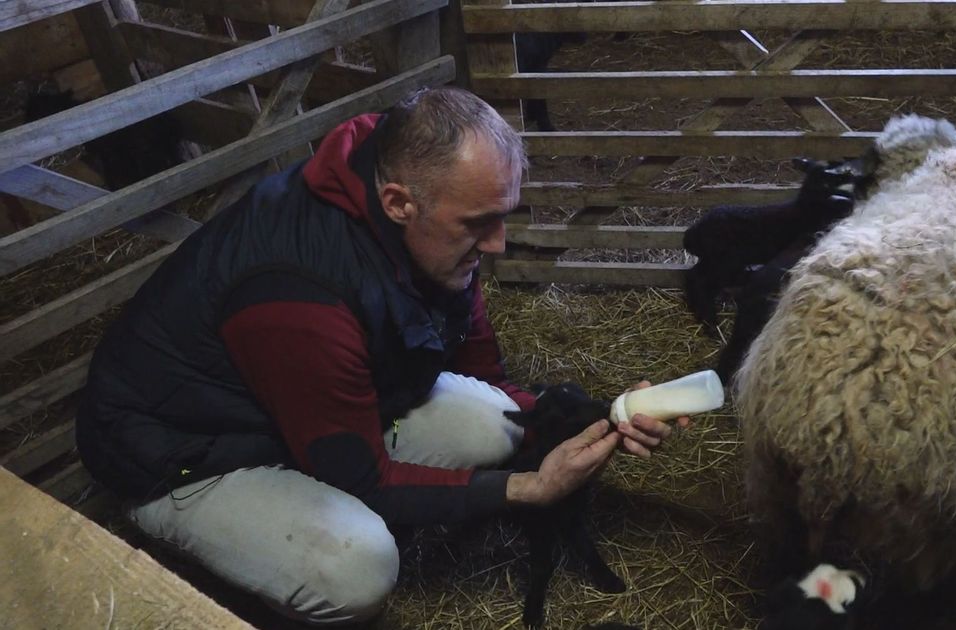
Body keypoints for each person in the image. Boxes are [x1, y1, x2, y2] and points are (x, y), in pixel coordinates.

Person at [76, 86, 685, 625]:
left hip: (297, 408)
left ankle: (298, 498)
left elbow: (487, 375)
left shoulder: (425, 204)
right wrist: (528, 488)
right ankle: (221, 544)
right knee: (357, 567)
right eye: (481, 223)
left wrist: (601, 415)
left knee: (492, 422)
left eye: (504, 216)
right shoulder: (300, 297)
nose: (498, 243)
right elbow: (360, 479)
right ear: (398, 203)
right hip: (186, 452)